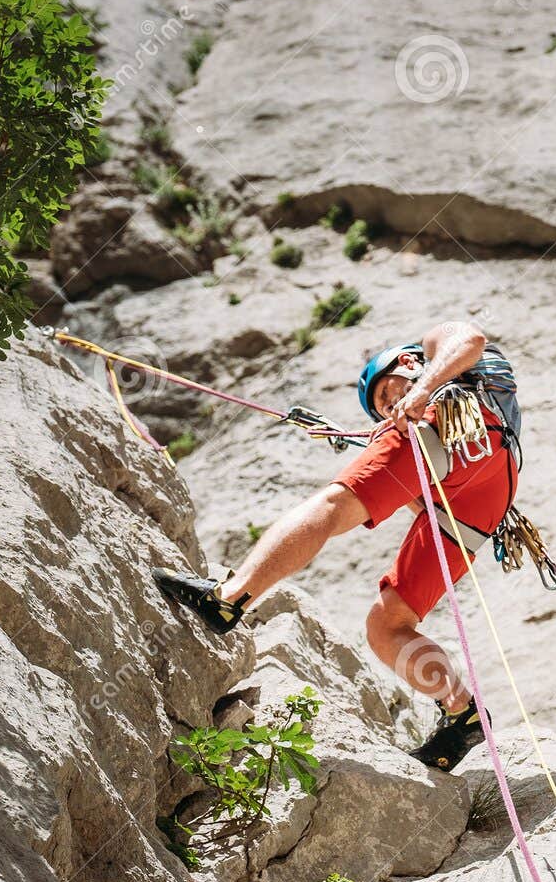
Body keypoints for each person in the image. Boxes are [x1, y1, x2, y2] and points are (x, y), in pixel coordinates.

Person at [151, 321, 519, 771]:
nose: (389, 410)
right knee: (387, 626)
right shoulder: (467, 394)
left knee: (333, 505)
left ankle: (228, 597)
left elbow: (470, 339)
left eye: (386, 396)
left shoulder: (433, 357)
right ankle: (464, 715)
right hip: (489, 488)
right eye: (383, 409)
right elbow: (414, 488)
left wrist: (419, 392)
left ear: (406, 364)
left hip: (454, 424)